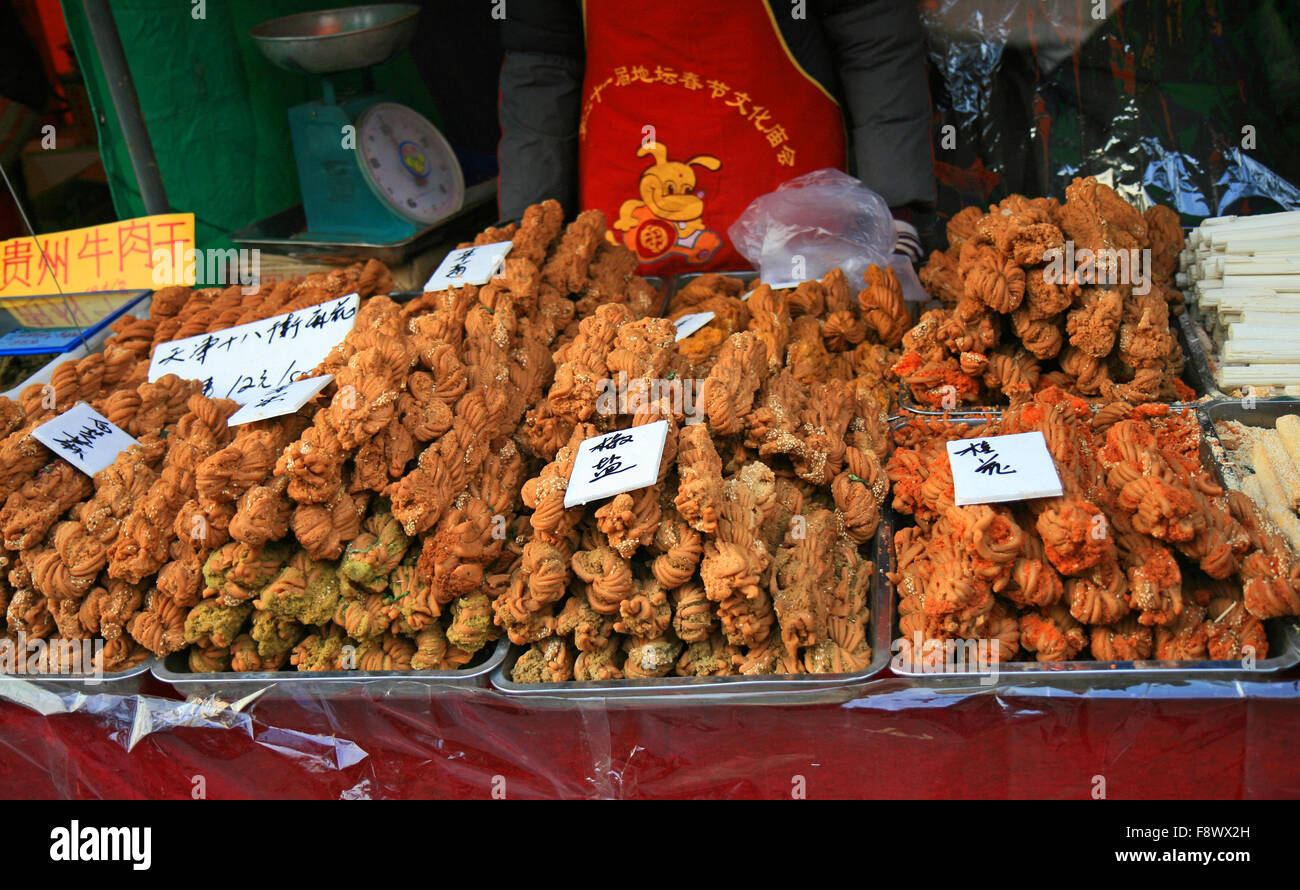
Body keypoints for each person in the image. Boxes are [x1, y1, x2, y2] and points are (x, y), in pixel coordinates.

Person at [498, 0, 935, 276]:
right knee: (628, 378)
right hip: (625, 215)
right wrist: (528, 230)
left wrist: (894, 205)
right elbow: (541, 62)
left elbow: (874, 30)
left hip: (792, 201)